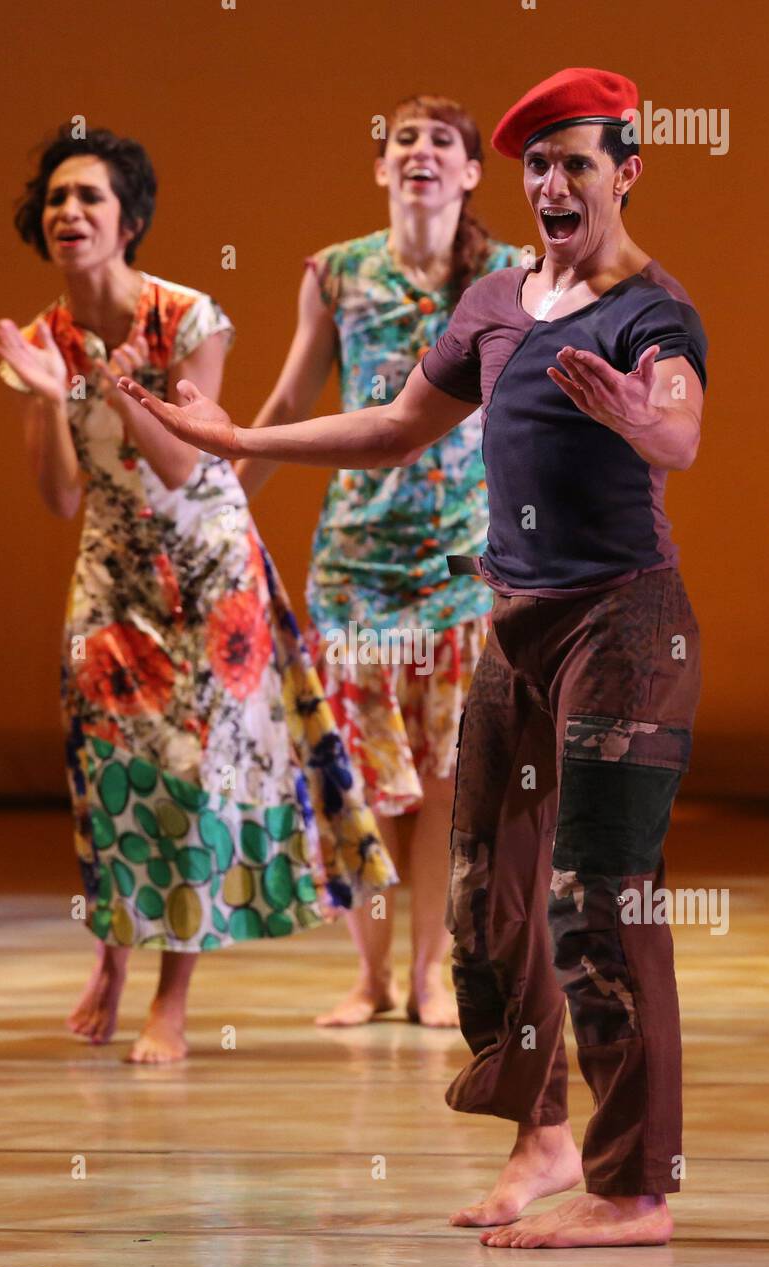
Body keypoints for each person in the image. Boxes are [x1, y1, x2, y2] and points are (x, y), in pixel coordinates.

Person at [116, 64, 708, 1249]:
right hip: (517, 625)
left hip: (626, 625)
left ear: (625, 173)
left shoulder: (652, 310)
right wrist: (236, 435)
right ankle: (540, 1134)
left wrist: (644, 422)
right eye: (535, 163)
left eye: (574, 163)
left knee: (596, 890)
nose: (549, 182)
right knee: (490, 898)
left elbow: (678, 423)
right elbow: (394, 428)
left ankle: (635, 1182)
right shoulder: (491, 303)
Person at [0, 124, 394, 1064]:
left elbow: (181, 465)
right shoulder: (40, 341)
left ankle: (170, 998)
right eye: (57, 199)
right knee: (109, 772)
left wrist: (112, 380)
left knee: (192, 779)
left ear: (127, 220)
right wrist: (49, 397)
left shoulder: (187, 318)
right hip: (113, 570)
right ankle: (112, 955)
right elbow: (58, 497)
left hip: (211, 574)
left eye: (89, 197)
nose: (70, 213)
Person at [235, 96, 522, 1027]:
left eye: (443, 142)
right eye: (404, 139)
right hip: (357, 563)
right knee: (356, 773)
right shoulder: (338, 273)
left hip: (459, 564)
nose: (421, 153)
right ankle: (370, 974)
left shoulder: (510, 274)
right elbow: (286, 399)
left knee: (444, 778)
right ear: (380, 164)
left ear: (472, 172)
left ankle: (433, 969)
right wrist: (224, 499)